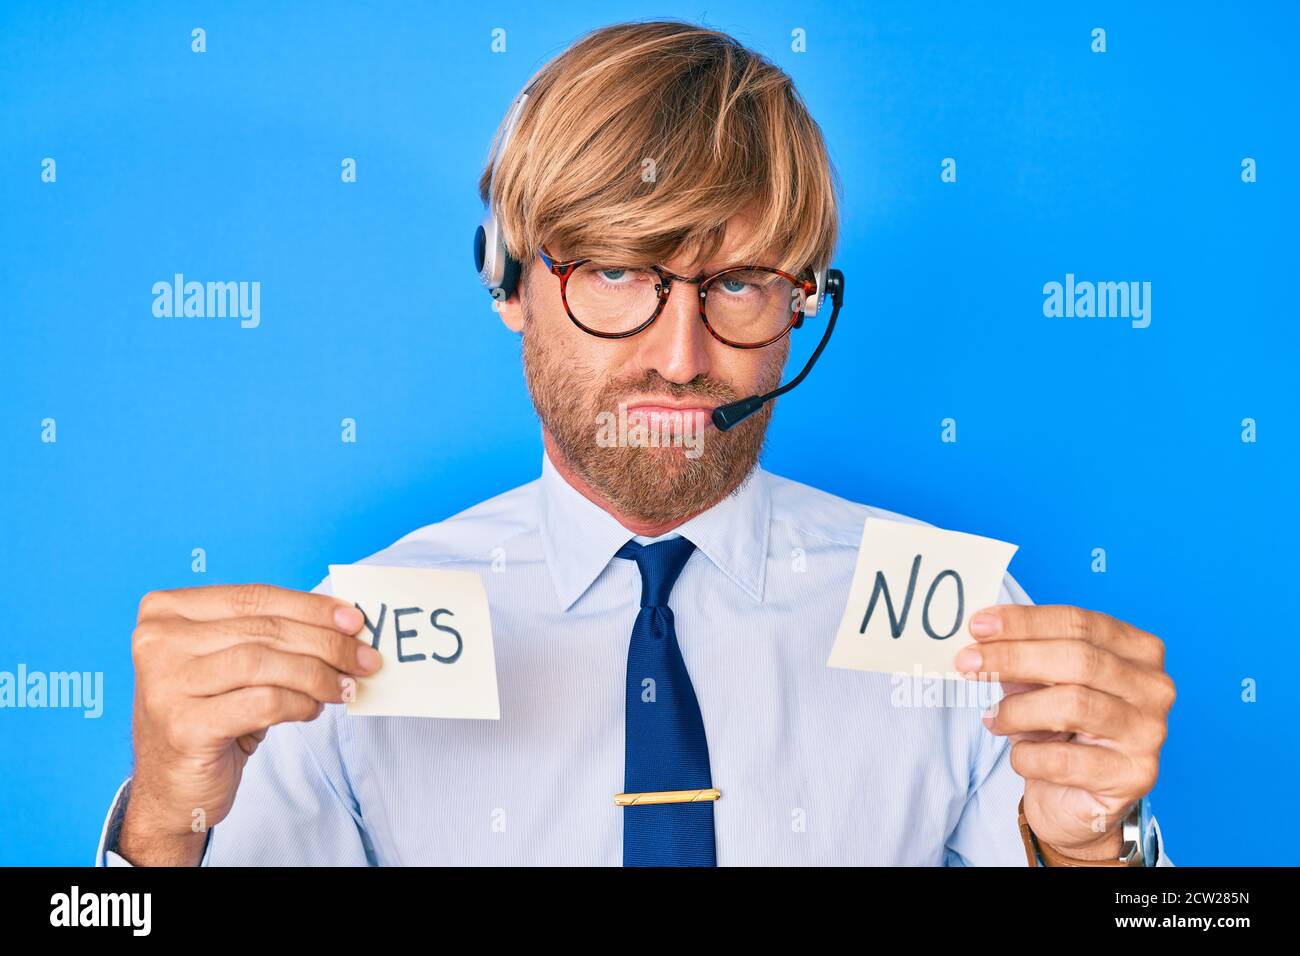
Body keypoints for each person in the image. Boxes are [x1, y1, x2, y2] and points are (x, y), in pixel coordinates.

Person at [96, 19, 1175, 867]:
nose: (679, 352)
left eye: (740, 283)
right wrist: (157, 834)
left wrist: (1091, 853)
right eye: (617, 271)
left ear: (801, 300)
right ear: (509, 280)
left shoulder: (968, 626)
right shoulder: (352, 647)